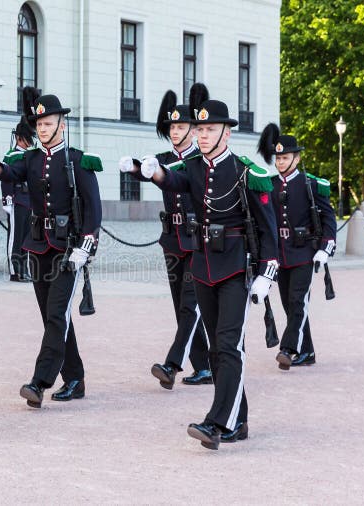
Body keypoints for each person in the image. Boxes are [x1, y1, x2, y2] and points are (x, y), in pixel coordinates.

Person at [125, 84, 278, 450]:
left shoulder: (246, 172)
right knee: (216, 350)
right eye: (201, 130)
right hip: (203, 266)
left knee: (228, 345)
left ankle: (217, 422)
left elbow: (268, 228)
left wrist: (266, 274)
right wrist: (152, 173)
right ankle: (238, 421)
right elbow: (174, 181)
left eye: (210, 130)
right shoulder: (193, 168)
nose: (203, 135)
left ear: (227, 132)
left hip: (236, 268)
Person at [0, 93, 102, 408]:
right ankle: (75, 378)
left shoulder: (78, 160)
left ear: (62, 124)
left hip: (68, 248)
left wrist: (85, 246)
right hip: (38, 246)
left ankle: (40, 381)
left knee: (56, 314)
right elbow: (11, 173)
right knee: (53, 317)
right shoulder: (31, 159)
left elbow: (94, 209)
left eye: (49, 123)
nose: (43, 129)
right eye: (40, 124)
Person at [118, 89, 211, 389]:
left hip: (198, 241)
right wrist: (132, 166)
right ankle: (206, 366)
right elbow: (148, 172)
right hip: (172, 240)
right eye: (172, 127)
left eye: (181, 127)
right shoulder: (164, 158)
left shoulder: (202, 160)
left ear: (194, 131)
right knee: (181, 306)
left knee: (190, 305)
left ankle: (172, 365)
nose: (175, 132)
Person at [257, 124, 336, 370]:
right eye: (278, 158)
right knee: (289, 304)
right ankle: (308, 352)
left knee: (298, 301)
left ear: (297, 158)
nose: (280, 162)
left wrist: (325, 248)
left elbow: (328, 218)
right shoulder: (269, 185)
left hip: (304, 252)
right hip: (280, 255)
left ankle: (289, 349)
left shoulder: (311, 184)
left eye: (285, 157)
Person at [1, 106, 36, 282]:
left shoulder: (31, 155)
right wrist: (7, 200)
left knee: (27, 238)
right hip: (17, 200)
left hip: (29, 201)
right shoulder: (12, 156)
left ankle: (24, 269)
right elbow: (6, 179)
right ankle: (15, 271)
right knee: (15, 238)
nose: (29, 143)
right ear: (18, 138)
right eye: (26, 139)